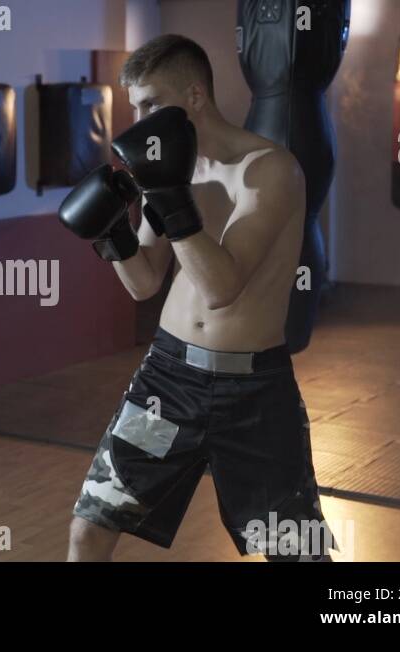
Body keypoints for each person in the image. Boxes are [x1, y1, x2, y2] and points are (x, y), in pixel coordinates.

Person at [59, 35, 333, 562]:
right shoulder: (170, 172)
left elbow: (221, 289)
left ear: (196, 96)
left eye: (153, 103)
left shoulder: (270, 170)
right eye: (135, 106)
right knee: (89, 528)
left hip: (254, 394)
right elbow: (143, 282)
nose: (139, 119)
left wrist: (171, 201)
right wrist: (111, 234)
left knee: (295, 551)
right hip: (167, 384)